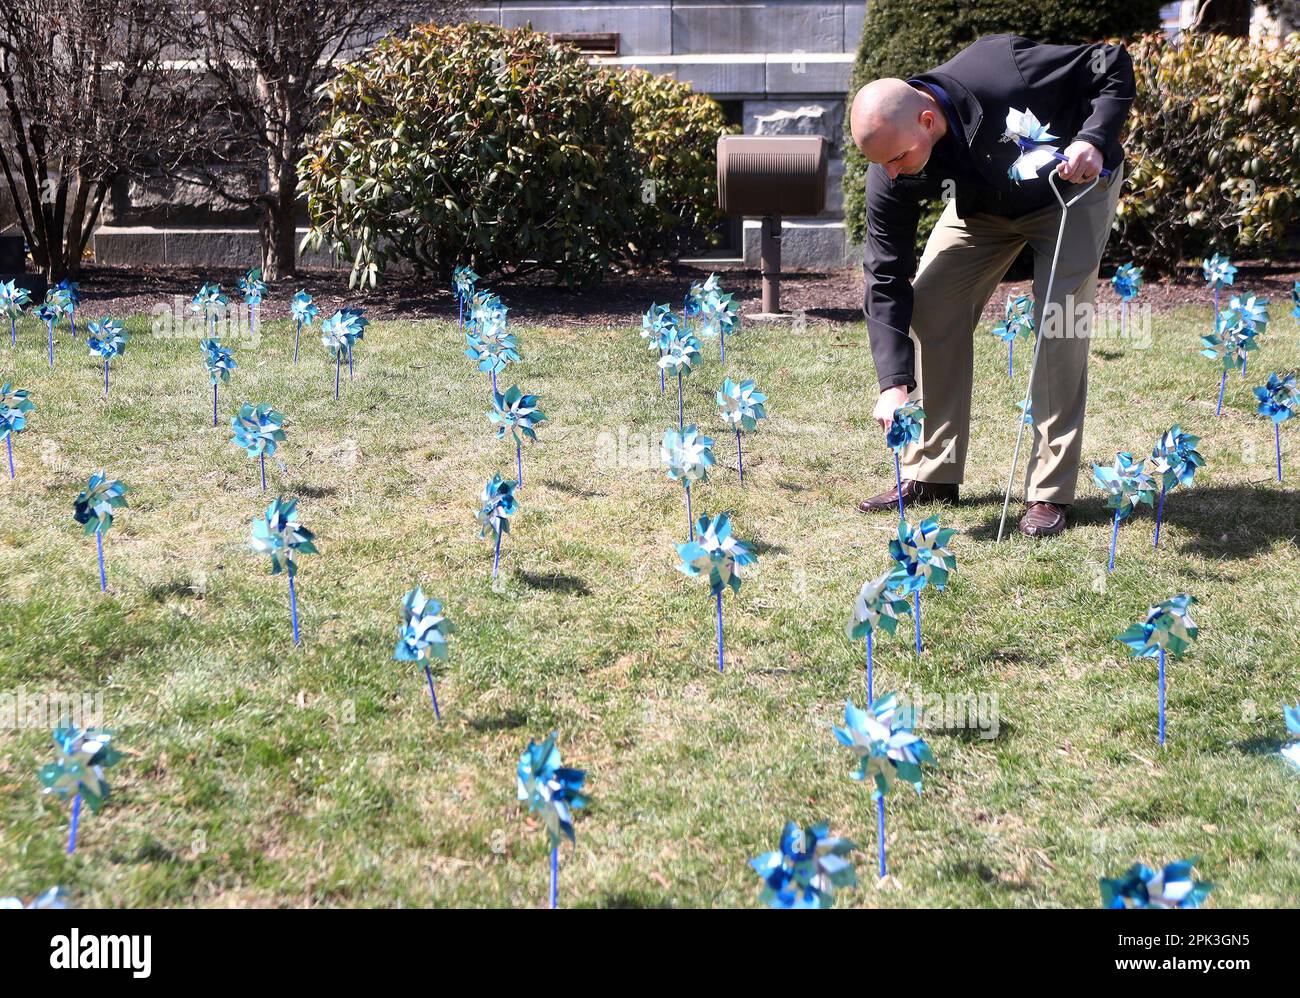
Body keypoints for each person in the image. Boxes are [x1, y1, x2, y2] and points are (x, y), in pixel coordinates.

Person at [850, 34, 1134, 537]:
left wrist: (1093, 138)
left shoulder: (1004, 69)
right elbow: (886, 274)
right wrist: (893, 384)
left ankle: (1049, 491)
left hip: (1070, 190)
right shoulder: (890, 170)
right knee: (932, 303)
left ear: (927, 121)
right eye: (881, 163)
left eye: (897, 158)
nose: (890, 172)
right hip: (984, 207)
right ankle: (932, 472)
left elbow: (1110, 63)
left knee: (1060, 322)